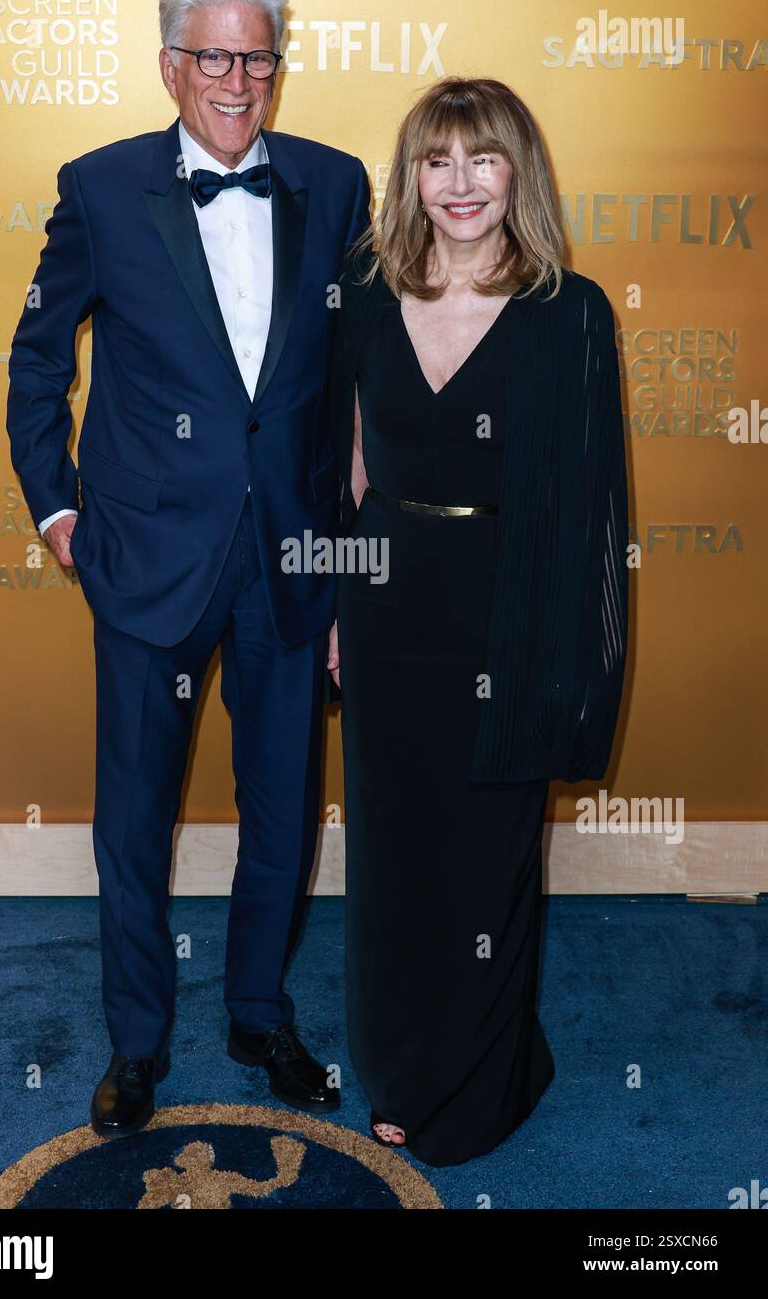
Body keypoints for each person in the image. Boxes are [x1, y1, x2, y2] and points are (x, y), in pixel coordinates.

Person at [6, 0, 370, 1139]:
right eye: (211, 56)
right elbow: (35, 358)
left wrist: (354, 558)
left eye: (255, 56)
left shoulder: (335, 183)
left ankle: (259, 1016)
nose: (235, 80)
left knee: (282, 812)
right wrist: (57, 511)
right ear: (170, 65)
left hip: (291, 558)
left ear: (276, 64)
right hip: (147, 556)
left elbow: (357, 383)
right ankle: (135, 1043)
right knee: (135, 820)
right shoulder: (103, 189)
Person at [327, 77, 629, 1166]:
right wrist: (332, 604)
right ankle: (402, 1062)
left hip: (506, 614)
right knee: (397, 859)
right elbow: (348, 467)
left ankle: (482, 1077)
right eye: (436, 161)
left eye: (482, 159)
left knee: (486, 858)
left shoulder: (566, 309)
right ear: (411, 175)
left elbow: (591, 504)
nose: (458, 185)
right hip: (384, 608)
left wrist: (567, 662)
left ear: (517, 173)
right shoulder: (363, 289)